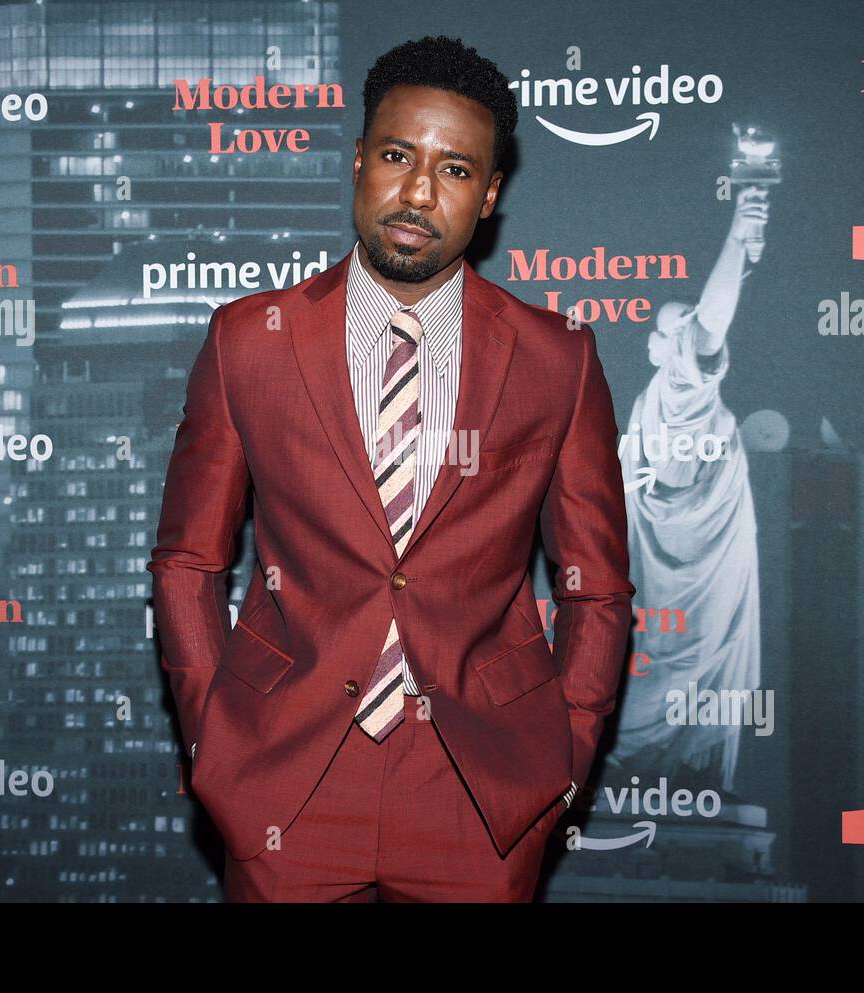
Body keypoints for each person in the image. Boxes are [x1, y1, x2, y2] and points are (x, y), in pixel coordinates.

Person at [148, 36, 634, 902]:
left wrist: (559, 752)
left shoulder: (557, 359)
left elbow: (595, 589)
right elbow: (189, 562)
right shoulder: (249, 341)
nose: (417, 192)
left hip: (479, 789)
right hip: (289, 778)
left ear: (488, 195)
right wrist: (213, 738)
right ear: (362, 160)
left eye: (454, 171)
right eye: (400, 156)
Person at [611, 185, 768, 795]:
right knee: (662, 667)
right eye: (673, 328)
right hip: (660, 564)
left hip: (706, 569)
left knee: (688, 669)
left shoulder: (683, 392)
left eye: (681, 330)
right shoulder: (657, 401)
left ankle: (665, 767)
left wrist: (737, 238)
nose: (677, 336)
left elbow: (712, 320)